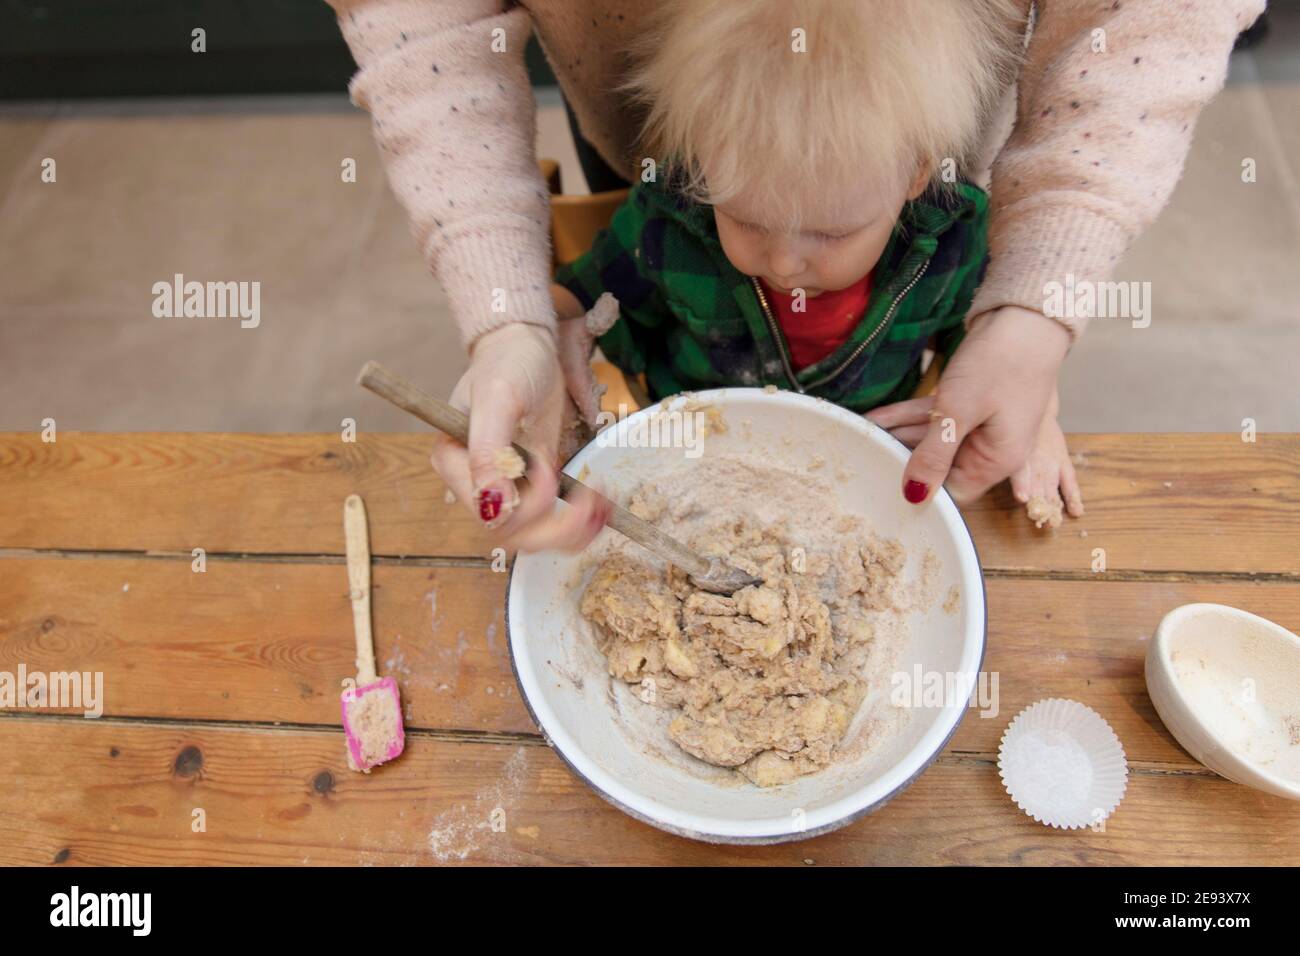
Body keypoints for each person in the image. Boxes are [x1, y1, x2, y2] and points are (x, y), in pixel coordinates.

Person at [327, 0, 1265, 552]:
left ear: (913, 178)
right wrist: (523, 324)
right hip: (691, 432)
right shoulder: (670, 221)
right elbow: (585, 286)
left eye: (829, 230)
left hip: (870, 443)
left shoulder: (946, 244)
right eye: (744, 217)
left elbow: (986, 327)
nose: (783, 259)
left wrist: (1031, 359)